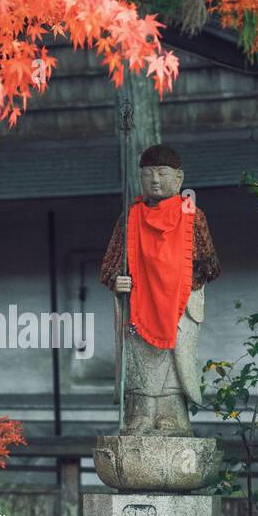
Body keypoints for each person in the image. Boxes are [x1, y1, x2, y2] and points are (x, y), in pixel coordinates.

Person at [100, 144, 220, 435]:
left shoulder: (193, 216)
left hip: (177, 305)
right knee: (140, 365)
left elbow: (210, 265)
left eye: (162, 173)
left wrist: (184, 279)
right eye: (148, 174)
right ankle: (139, 416)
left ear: (178, 178)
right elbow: (110, 266)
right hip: (139, 305)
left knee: (172, 367)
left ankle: (171, 418)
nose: (155, 180)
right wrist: (119, 281)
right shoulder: (130, 218)